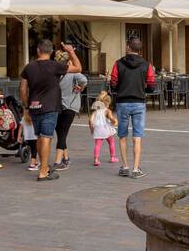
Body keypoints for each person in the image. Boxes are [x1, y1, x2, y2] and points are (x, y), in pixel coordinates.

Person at [20, 39, 81, 182]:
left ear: (38, 50)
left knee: (40, 137)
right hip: (50, 106)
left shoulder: (28, 67)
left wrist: (26, 106)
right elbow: (78, 68)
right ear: (51, 51)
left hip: (34, 107)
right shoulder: (55, 66)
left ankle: (45, 167)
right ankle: (43, 172)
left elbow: (23, 89)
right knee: (46, 137)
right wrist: (70, 51)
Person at [108, 36, 155, 178]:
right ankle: (135, 169)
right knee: (137, 136)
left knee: (122, 135)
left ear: (128, 47)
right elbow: (152, 86)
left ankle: (125, 166)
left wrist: (119, 89)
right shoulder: (147, 65)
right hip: (139, 102)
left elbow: (113, 83)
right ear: (139, 49)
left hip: (122, 102)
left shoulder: (118, 63)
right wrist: (142, 90)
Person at [52, 51, 87, 171]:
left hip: (56, 106)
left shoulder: (54, 73)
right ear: (68, 62)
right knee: (62, 133)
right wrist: (80, 88)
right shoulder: (73, 73)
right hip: (70, 107)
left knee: (60, 132)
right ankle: (58, 161)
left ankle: (65, 158)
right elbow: (84, 80)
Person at [88, 90, 118, 167]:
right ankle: (113, 157)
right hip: (106, 129)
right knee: (111, 142)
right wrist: (114, 121)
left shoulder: (95, 112)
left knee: (97, 145)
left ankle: (96, 159)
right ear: (107, 103)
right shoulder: (107, 111)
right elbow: (111, 118)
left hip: (98, 129)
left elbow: (90, 121)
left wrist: (92, 129)